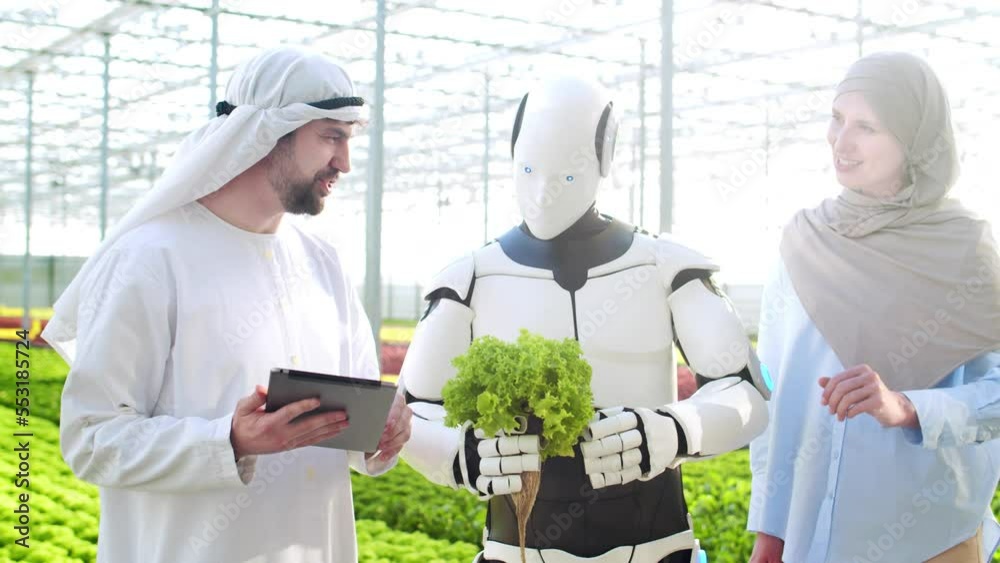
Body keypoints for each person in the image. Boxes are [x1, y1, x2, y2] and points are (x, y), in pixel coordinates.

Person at [44, 47, 412, 563]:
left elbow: (352, 427)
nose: (345, 163)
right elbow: (92, 438)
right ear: (268, 133)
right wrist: (230, 441)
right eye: (332, 136)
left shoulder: (323, 263)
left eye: (349, 140)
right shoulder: (150, 260)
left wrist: (384, 427)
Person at [399, 75, 771, 563]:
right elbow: (407, 413)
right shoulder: (468, 279)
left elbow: (746, 393)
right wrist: (460, 455)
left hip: (657, 546)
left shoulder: (667, 267)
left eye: (566, 177)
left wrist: (674, 430)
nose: (542, 194)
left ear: (604, 162)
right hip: (519, 550)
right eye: (528, 170)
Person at [747, 51, 1000, 563]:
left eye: (867, 126)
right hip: (809, 535)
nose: (842, 142)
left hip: (931, 535)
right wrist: (769, 528)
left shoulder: (965, 249)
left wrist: (907, 408)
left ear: (914, 141)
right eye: (837, 119)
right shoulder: (803, 241)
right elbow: (775, 391)